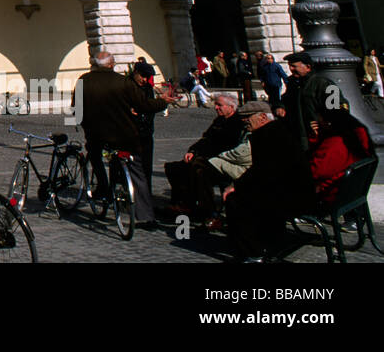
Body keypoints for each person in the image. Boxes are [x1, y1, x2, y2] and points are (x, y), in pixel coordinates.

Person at [222, 100, 314, 261]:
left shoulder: (267, 135)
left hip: (293, 195)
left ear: (263, 117)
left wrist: (237, 186)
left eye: (247, 118)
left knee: (235, 201)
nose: (244, 122)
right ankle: (267, 241)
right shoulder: (277, 130)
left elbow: (264, 170)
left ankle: (253, 251)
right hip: (296, 189)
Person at [75, 50, 156, 227]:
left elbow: (76, 109)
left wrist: (85, 125)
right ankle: (147, 216)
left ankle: (103, 186)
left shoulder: (84, 80)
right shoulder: (123, 82)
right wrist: (163, 101)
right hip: (123, 135)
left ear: (95, 64)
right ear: (112, 64)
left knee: (95, 154)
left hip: (97, 134)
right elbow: (143, 104)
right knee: (137, 171)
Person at [164, 93, 244, 221]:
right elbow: (206, 139)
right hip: (208, 158)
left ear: (231, 107)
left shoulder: (237, 123)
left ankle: (208, 211)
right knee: (174, 167)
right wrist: (193, 151)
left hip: (223, 161)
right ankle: (181, 203)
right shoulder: (219, 120)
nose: (216, 108)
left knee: (199, 170)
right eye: (216, 105)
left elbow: (228, 147)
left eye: (219, 105)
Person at [278, 50, 342, 151]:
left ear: (308, 67)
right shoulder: (292, 83)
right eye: (290, 66)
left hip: (317, 137)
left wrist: (324, 123)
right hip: (297, 135)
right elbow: (285, 99)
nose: (291, 69)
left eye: (294, 66)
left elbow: (338, 108)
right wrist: (280, 107)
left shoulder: (323, 83)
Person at [307, 109, 374, 204]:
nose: (317, 122)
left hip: (328, 196)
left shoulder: (334, 143)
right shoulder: (352, 140)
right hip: (347, 193)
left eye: (319, 119)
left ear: (329, 123)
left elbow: (314, 171)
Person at [130, 61, 174, 174]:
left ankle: (146, 190)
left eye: (147, 77)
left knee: (146, 167)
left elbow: (149, 107)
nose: (145, 79)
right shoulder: (128, 86)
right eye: (143, 76)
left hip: (146, 132)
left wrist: (160, 102)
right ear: (135, 73)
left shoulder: (148, 88)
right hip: (130, 132)